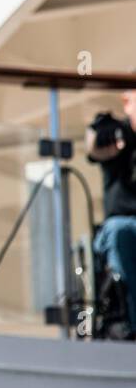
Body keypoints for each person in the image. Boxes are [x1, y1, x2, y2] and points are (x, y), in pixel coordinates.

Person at [86, 90, 136, 332]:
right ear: (127, 102)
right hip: (121, 227)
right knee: (120, 232)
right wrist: (98, 132)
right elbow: (94, 148)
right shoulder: (118, 133)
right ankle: (130, 325)